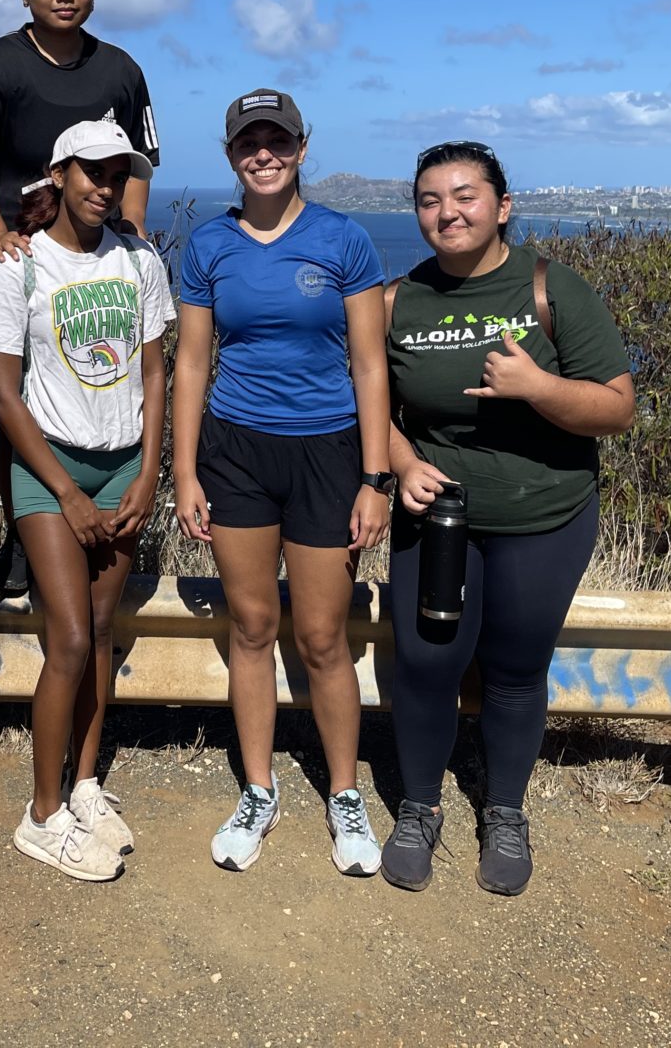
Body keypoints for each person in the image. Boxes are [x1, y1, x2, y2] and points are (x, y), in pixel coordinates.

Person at [380, 141, 634, 896]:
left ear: (502, 206)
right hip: (439, 520)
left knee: (517, 672)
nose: (447, 212)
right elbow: (365, 400)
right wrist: (399, 462)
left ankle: (505, 811)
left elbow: (617, 408)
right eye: (430, 199)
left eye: (465, 195)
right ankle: (420, 808)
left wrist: (535, 387)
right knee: (427, 667)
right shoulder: (399, 301)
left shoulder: (553, 289)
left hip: (544, 515)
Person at [171, 90, 393, 877]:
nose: (262, 154)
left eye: (277, 141)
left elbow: (370, 365)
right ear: (231, 153)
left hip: (328, 453)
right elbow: (192, 363)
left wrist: (376, 478)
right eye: (247, 143)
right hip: (235, 451)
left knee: (325, 638)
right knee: (253, 627)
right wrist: (186, 469)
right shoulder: (208, 245)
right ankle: (259, 789)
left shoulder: (344, 238)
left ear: (303, 146)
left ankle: (343, 794)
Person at [0, 119, 173, 882]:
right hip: (47, 470)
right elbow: (2, 390)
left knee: (99, 628)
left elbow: (156, 373)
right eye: (91, 172)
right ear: (58, 175)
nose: (104, 186)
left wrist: (152, 473)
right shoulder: (21, 266)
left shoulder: (139, 259)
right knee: (71, 640)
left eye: (117, 173)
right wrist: (63, 489)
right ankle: (42, 812)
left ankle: (85, 784)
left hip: (123, 466)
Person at [0, 0, 163, 605]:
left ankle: (48, 536)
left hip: (96, 250)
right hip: (16, 252)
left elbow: (140, 164)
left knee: (86, 375)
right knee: (4, 383)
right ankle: (19, 531)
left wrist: (131, 231)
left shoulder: (121, 71)